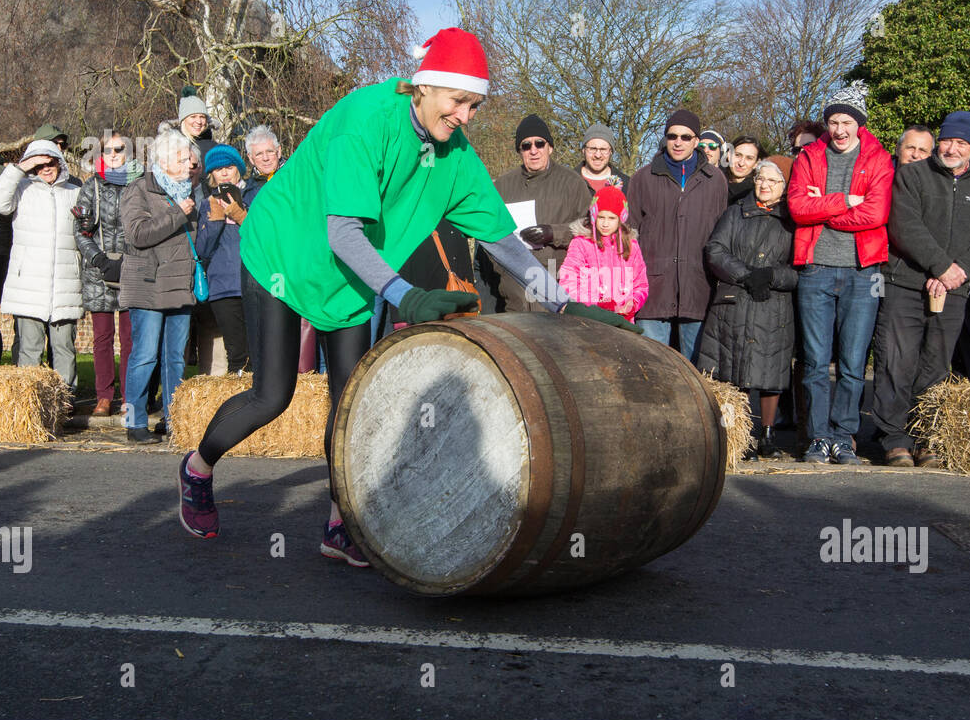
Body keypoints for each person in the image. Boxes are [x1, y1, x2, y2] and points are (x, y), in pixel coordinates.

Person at [175, 28, 634, 558]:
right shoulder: (364, 121)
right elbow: (342, 232)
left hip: (348, 278)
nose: (466, 115)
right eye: (459, 101)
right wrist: (404, 294)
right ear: (425, 85)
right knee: (273, 395)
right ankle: (197, 468)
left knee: (350, 405)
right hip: (282, 255)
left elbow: (502, 239)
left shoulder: (456, 155)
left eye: (476, 104)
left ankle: (339, 522)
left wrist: (562, 302)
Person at [873, 110, 970, 467]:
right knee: (896, 360)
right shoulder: (912, 176)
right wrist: (940, 266)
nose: (952, 148)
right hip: (905, 283)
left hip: (955, 289)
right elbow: (905, 226)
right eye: (947, 140)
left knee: (936, 365)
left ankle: (926, 437)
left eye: (962, 143)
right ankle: (894, 438)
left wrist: (958, 271)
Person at [788, 81, 893, 466]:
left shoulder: (879, 159)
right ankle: (817, 437)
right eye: (833, 121)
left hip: (863, 272)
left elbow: (876, 215)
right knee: (815, 362)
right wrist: (846, 200)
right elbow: (799, 209)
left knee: (852, 362)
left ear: (859, 123)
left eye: (847, 121)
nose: (839, 129)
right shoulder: (808, 157)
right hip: (815, 270)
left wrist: (824, 208)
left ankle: (844, 436)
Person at [698, 160, 799, 459]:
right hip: (735, 302)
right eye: (760, 179)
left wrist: (771, 276)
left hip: (773, 304)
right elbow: (715, 250)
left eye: (772, 180)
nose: (764, 185)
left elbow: (799, 269)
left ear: (784, 186)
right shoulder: (735, 213)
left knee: (770, 372)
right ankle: (737, 436)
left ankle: (767, 436)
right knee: (734, 370)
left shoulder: (792, 222)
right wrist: (744, 274)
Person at [120, 129, 203, 444]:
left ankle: (173, 420)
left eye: (189, 160)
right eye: (182, 159)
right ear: (163, 161)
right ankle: (134, 422)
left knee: (175, 359)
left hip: (180, 285)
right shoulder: (139, 190)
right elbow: (138, 235)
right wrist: (176, 214)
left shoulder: (191, 192)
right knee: (144, 355)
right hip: (148, 285)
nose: (189, 165)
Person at [626, 108, 728, 361]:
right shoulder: (643, 178)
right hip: (653, 287)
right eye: (673, 136)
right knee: (653, 367)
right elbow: (630, 233)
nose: (678, 142)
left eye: (685, 137)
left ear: (696, 141)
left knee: (696, 371)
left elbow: (721, 233)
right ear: (665, 139)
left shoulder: (715, 179)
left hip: (698, 285)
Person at [0, 140, 82, 387]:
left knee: (65, 349)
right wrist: (22, 167)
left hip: (65, 285)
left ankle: (64, 403)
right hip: (27, 285)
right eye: (39, 165)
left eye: (50, 163)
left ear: (59, 163)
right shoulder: (21, 189)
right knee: (29, 348)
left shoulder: (74, 192)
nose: (46, 169)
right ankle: (27, 402)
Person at [480, 114, 590, 313]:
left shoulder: (572, 183)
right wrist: (502, 270)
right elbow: (488, 234)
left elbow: (590, 228)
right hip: (514, 294)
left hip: (556, 293)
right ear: (519, 151)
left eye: (540, 143)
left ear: (550, 147)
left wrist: (553, 233)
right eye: (526, 145)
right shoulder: (502, 186)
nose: (533, 150)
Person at [73, 130, 144, 415]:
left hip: (132, 269)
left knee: (130, 338)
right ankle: (104, 395)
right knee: (102, 337)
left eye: (119, 149)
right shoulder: (91, 186)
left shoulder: (141, 184)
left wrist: (133, 260)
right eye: (108, 150)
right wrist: (100, 260)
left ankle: (130, 395)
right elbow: (79, 230)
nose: (113, 155)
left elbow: (147, 227)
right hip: (99, 270)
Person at [195, 144, 264, 373]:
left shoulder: (254, 196)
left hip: (254, 282)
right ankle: (239, 404)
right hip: (224, 286)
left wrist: (239, 214)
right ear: (212, 174)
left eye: (229, 166)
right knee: (236, 355)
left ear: (239, 168)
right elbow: (203, 249)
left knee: (259, 351)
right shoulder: (207, 203)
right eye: (218, 169)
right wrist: (215, 221)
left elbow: (264, 237)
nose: (224, 172)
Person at [558, 185, 648, 323]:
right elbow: (569, 280)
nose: (605, 224)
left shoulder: (631, 246)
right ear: (594, 216)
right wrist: (596, 303)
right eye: (601, 217)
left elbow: (640, 284)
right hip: (589, 318)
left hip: (622, 319)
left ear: (621, 218)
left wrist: (632, 304)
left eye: (611, 218)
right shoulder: (581, 244)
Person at [576, 123, 628, 192]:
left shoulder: (627, 185)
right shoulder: (568, 181)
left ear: (611, 151)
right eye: (593, 149)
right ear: (583, 150)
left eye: (603, 149)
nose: (598, 155)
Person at [726, 136, 762, 205]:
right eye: (737, 155)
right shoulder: (714, 182)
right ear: (729, 155)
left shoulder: (758, 193)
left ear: (756, 163)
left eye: (749, 158)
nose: (741, 163)